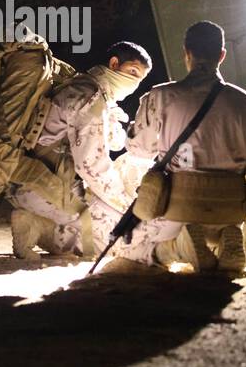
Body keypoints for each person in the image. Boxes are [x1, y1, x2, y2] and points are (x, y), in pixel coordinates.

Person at [91, 21, 246, 275]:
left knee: (132, 249)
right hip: (231, 205)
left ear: (187, 53)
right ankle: (227, 236)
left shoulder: (160, 96)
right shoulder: (245, 102)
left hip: (181, 205)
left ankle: (179, 248)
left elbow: (138, 150)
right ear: (222, 55)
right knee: (221, 224)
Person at [8, 42, 152, 258]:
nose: (134, 82)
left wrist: (112, 118)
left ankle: (42, 220)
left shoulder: (87, 87)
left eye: (139, 78)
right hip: (41, 186)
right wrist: (127, 206)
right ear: (114, 63)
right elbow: (92, 167)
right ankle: (39, 227)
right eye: (132, 72)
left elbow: (115, 144)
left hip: (39, 180)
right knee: (124, 237)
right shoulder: (88, 96)